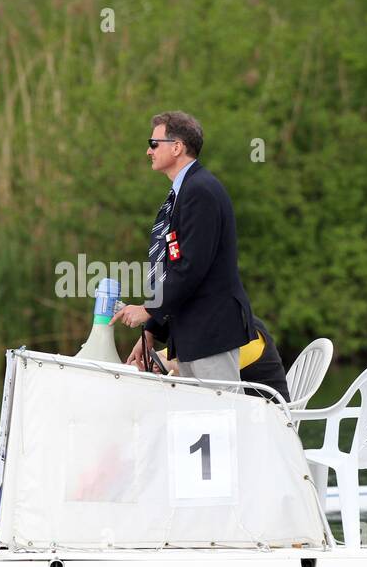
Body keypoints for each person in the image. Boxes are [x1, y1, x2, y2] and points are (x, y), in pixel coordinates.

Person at [112, 111, 255, 384]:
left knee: (221, 415)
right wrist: (152, 330)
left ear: (177, 147)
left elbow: (190, 268)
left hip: (211, 331)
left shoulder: (199, 191)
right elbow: (176, 266)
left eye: (154, 144)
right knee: (204, 419)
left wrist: (149, 309)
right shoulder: (186, 191)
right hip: (193, 333)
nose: (148, 151)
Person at [148, 314, 290, 402]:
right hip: (247, 409)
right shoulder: (210, 330)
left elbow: (211, 371)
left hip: (270, 418)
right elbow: (164, 357)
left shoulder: (245, 332)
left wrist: (167, 365)